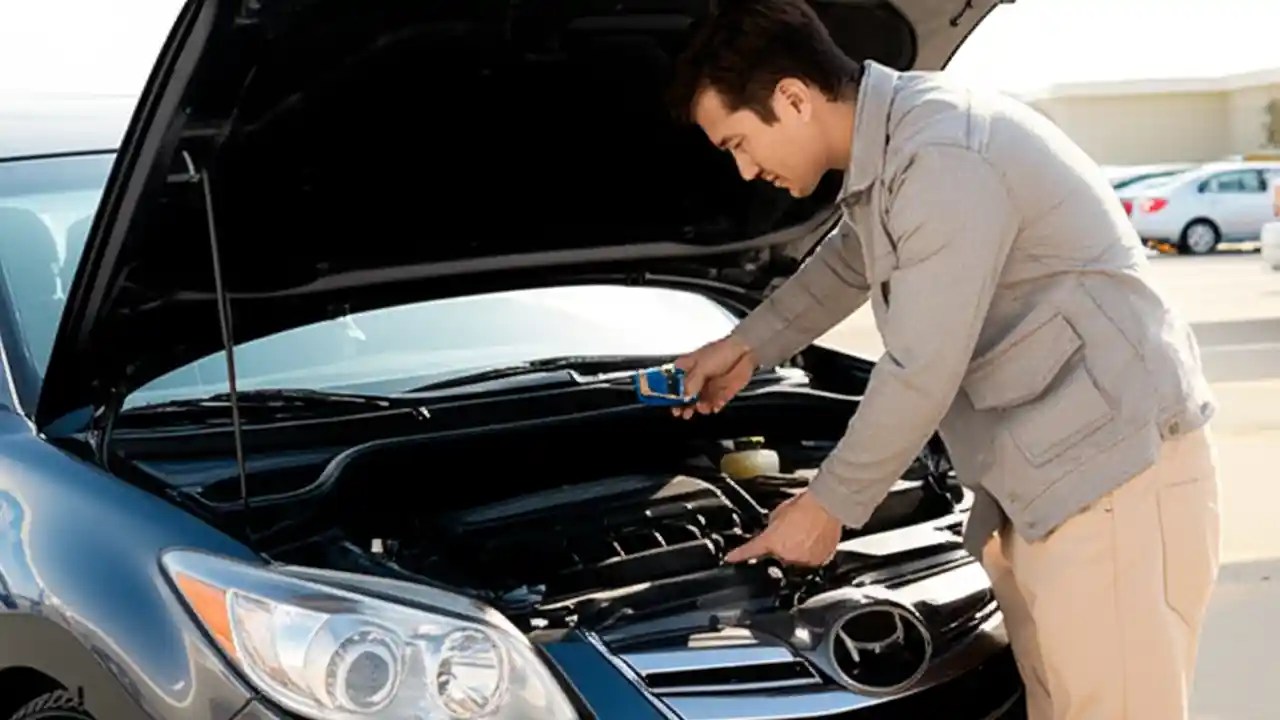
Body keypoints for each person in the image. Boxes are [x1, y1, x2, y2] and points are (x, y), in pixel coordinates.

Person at [665, 1, 1221, 719]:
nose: (743, 171)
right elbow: (847, 265)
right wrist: (743, 346)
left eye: (739, 142)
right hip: (1048, 481)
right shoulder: (897, 149)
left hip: (1111, 481)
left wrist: (828, 506)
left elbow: (921, 367)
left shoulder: (944, 156)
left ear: (793, 98)